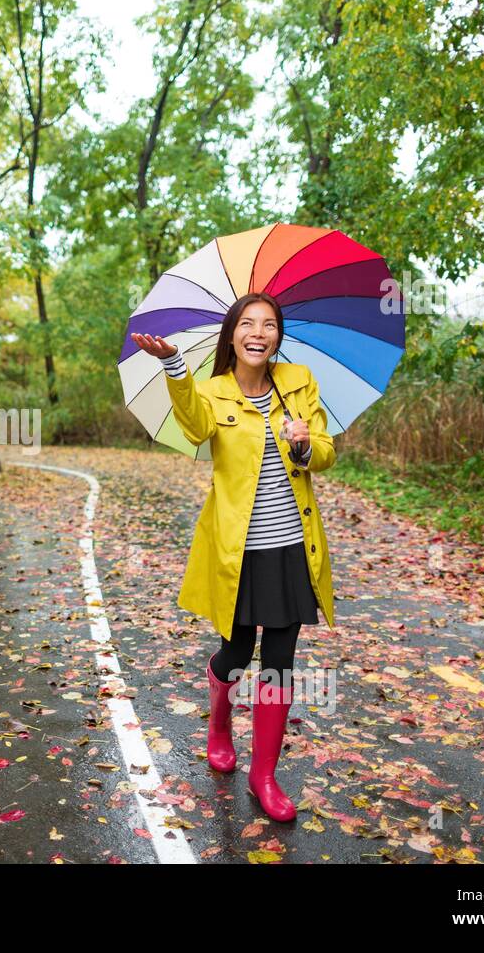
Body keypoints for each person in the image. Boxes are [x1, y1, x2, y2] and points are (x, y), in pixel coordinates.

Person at [130, 290, 336, 823]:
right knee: (236, 653)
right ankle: (219, 721)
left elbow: (327, 452)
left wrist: (305, 442)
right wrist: (175, 365)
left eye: (268, 325)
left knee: (280, 664)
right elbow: (195, 428)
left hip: (292, 544)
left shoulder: (299, 383)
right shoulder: (213, 391)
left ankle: (264, 775)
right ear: (233, 335)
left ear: (277, 336)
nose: (258, 333)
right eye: (248, 324)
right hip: (238, 550)